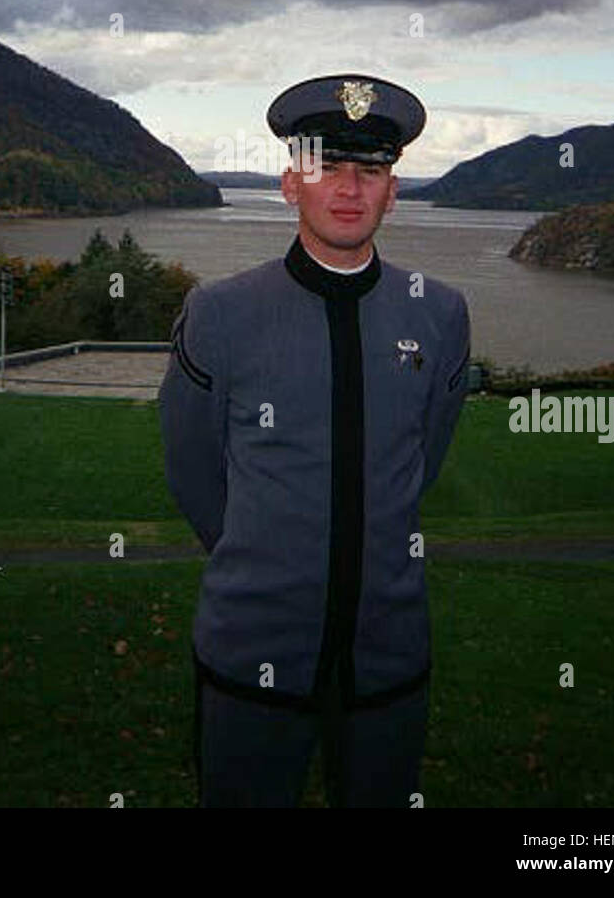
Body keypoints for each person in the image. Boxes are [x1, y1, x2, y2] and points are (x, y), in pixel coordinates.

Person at [158, 74, 470, 807]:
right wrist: (266, 555)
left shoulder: (441, 315)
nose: (349, 189)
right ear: (289, 184)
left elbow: (421, 462)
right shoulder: (221, 313)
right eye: (326, 166)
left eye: (370, 169)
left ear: (394, 190)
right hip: (252, 656)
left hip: (389, 660)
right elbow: (193, 474)